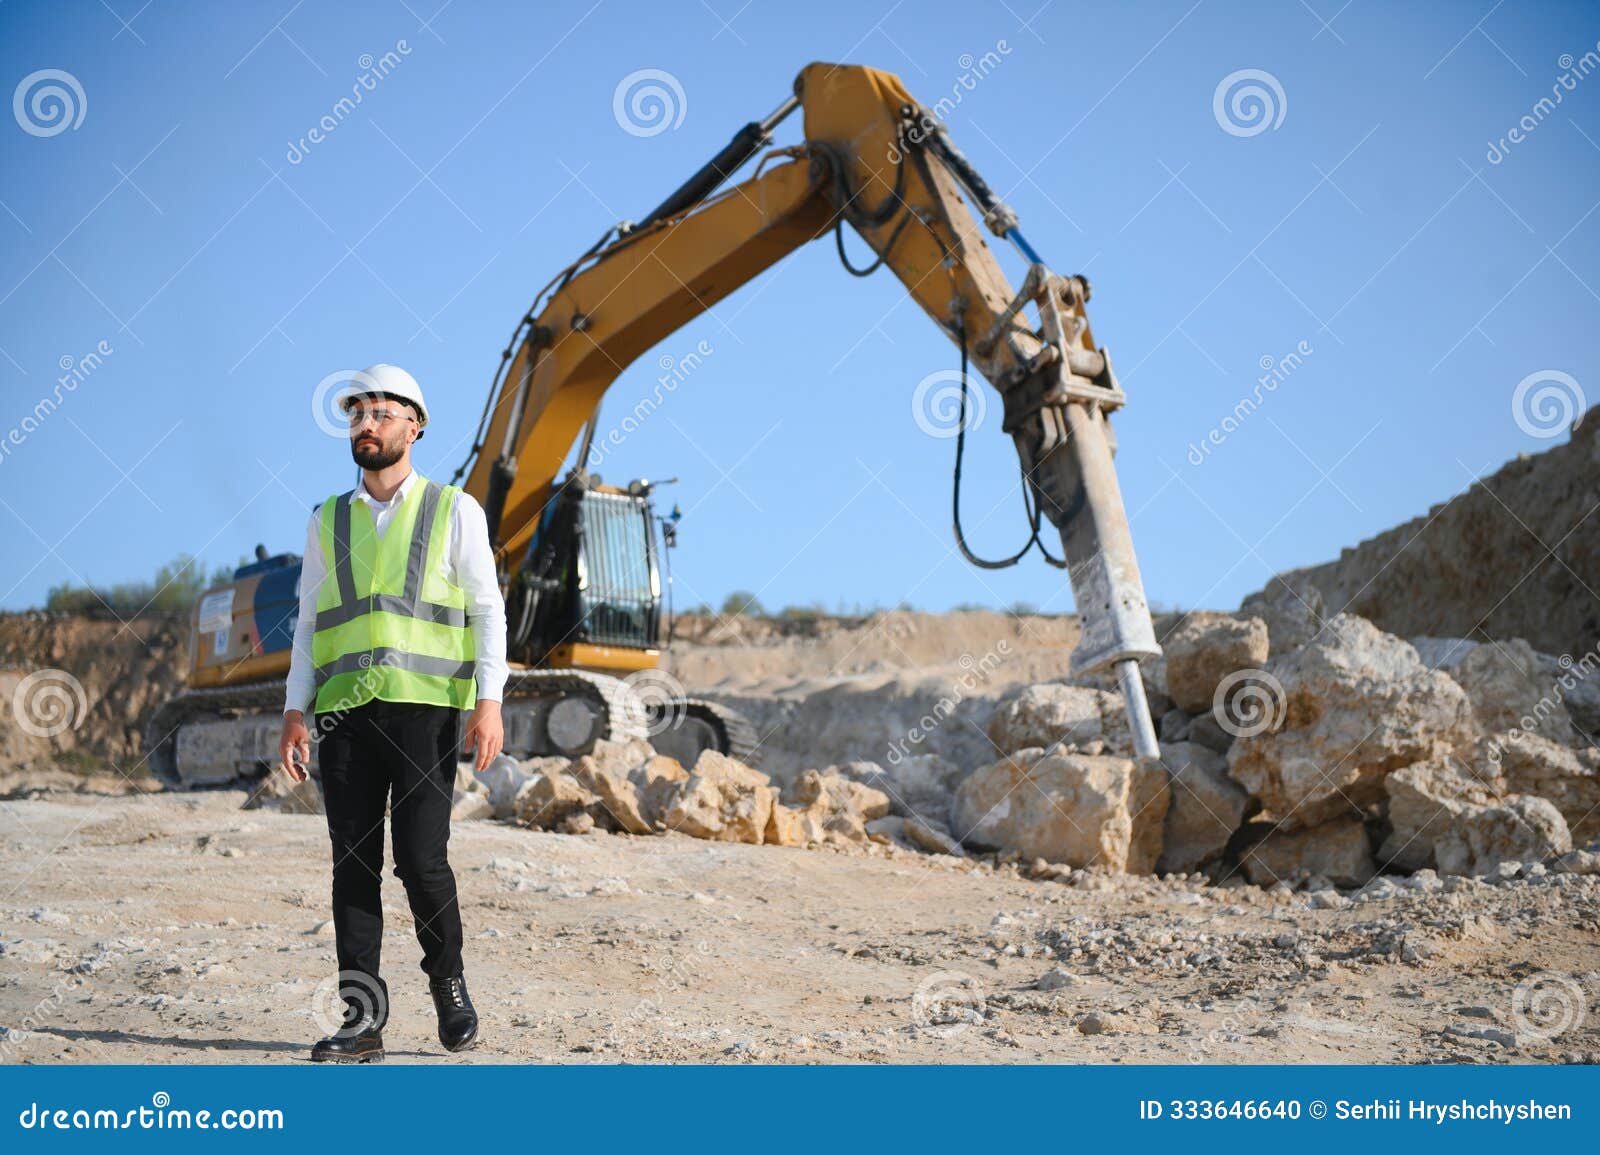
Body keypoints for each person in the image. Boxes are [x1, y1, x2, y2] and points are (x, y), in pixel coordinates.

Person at [277, 363, 506, 1063]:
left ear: (415, 426)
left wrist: (490, 700)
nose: (365, 425)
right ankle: (361, 1018)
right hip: (344, 716)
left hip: (425, 710)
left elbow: (486, 607)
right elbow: (311, 622)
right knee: (353, 865)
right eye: (356, 415)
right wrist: (294, 710)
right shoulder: (327, 519)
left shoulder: (453, 509)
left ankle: (449, 982)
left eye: (380, 413)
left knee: (420, 858)